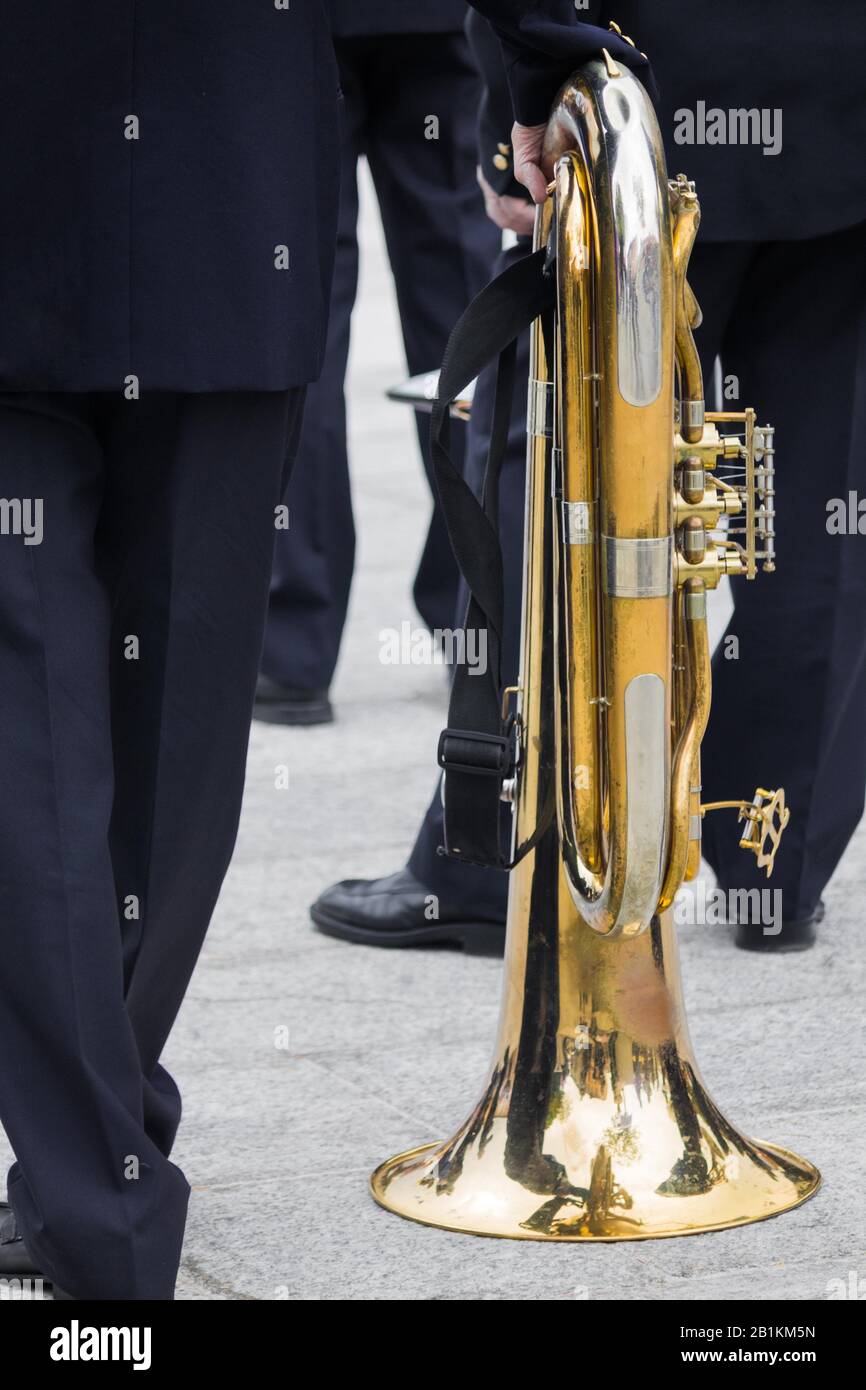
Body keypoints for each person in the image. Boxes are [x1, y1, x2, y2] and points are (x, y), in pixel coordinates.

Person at [0, 0, 646, 1302]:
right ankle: (99, 1155)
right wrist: (539, 62)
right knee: (178, 706)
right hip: (227, 183)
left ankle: (96, 1177)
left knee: (30, 705)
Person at [312, 1, 866, 956]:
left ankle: (503, 854)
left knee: (556, 474)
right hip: (844, 99)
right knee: (822, 495)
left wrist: (510, 122)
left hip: (648, 84)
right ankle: (775, 863)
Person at [255, 2, 500, 727]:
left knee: (305, 317)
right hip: (438, 16)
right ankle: (479, 613)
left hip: (296, 25)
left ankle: (293, 642)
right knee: (464, 305)